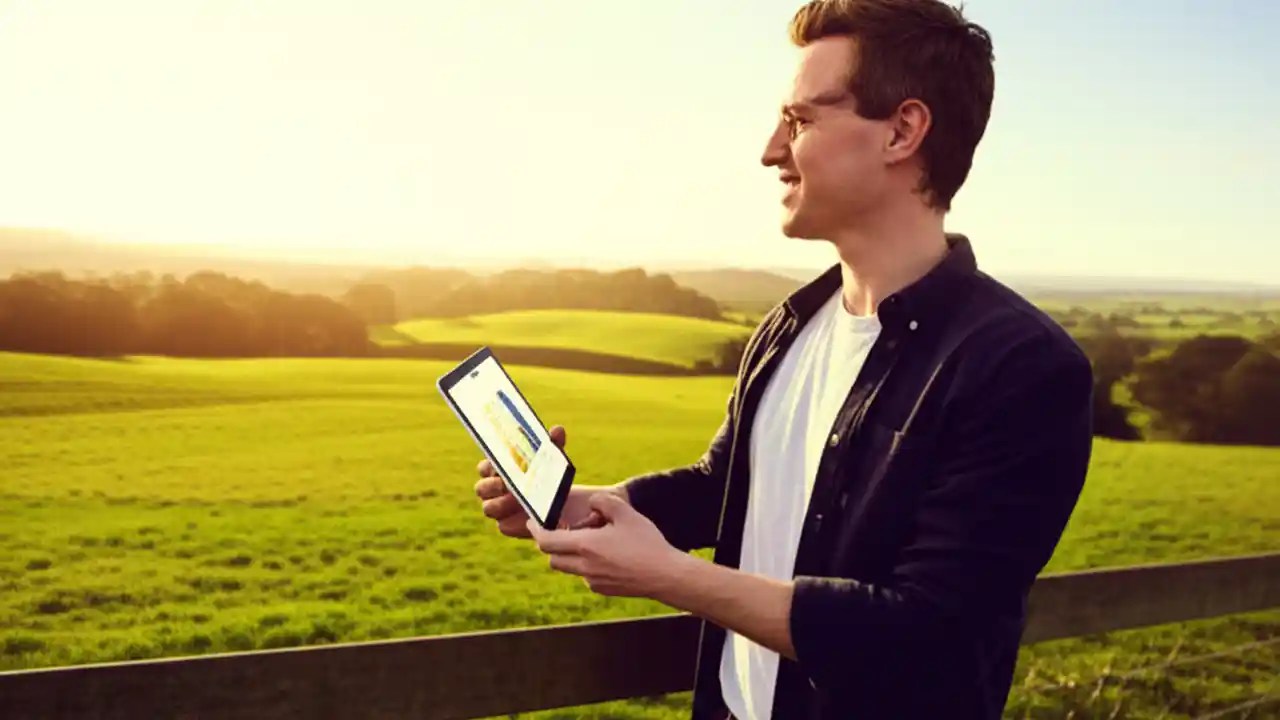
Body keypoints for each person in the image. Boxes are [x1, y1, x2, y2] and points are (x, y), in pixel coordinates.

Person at [473, 0, 1093, 717]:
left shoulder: (1022, 368)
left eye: (799, 121)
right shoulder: (789, 325)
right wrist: (595, 506)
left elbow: (928, 633)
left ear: (903, 130)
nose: (771, 149)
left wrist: (669, 576)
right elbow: (724, 484)